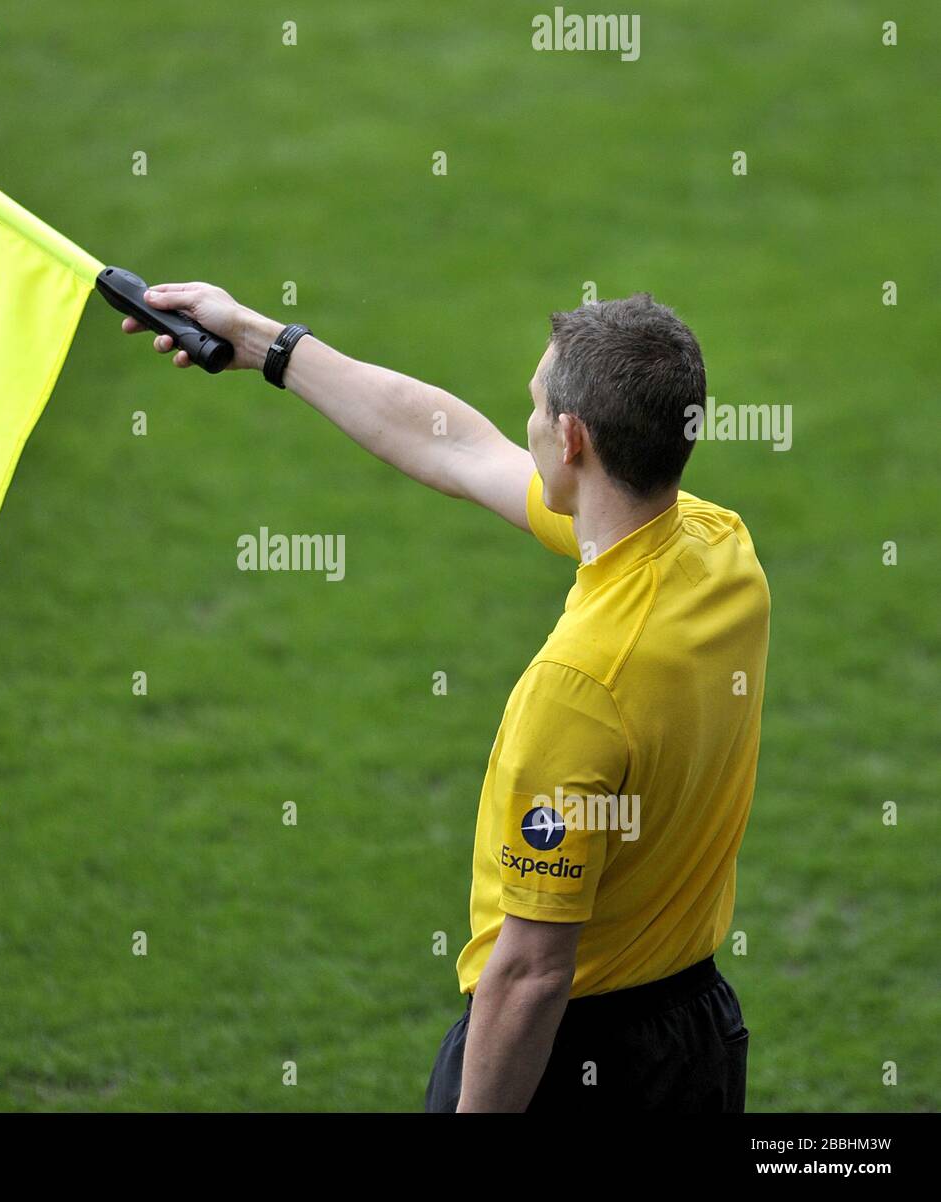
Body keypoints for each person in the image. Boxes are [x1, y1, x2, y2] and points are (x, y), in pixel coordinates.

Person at [122, 285, 769, 1112]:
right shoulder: (718, 548)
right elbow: (458, 448)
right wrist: (264, 342)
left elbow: (533, 973)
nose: (524, 421)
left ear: (572, 441)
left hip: (571, 1061)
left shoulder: (578, 690)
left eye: (535, 407)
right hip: (697, 1042)